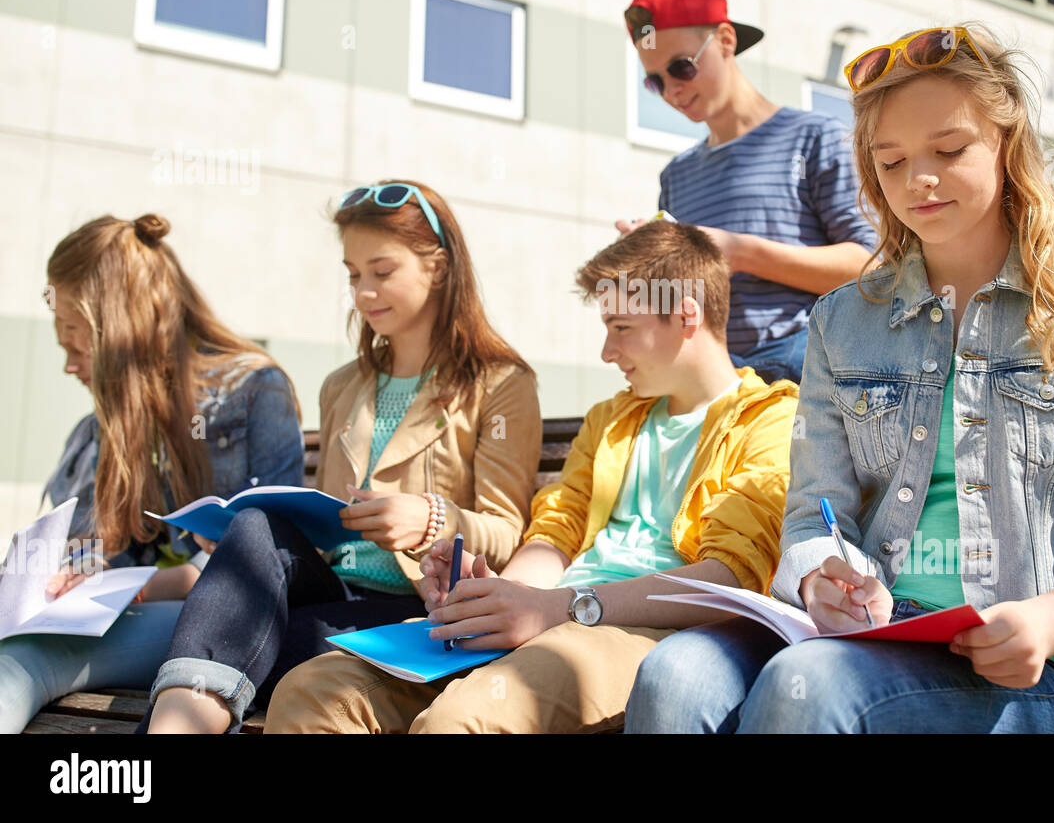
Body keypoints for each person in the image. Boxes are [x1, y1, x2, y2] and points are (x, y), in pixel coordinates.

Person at [624, 24, 1054, 734]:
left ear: (1009, 147)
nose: (917, 181)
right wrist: (824, 572)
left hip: (1019, 668)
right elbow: (814, 513)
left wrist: (1050, 622)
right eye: (890, 163)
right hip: (865, 637)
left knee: (806, 686)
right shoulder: (840, 322)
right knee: (672, 676)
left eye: (949, 151)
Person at [264, 220, 800, 733]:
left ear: (686, 317)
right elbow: (556, 532)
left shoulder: (771, 418)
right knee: (313, 690)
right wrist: (495, 593)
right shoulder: (612, 419)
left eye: (621, 329)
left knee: (462, 721)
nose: (607, 352)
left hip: (643, 628)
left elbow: (731, 579)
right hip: (558, 612)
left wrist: (560, 607)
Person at [142, 181, 541, 733]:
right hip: (333, 595)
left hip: (414, 614)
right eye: (353, 275)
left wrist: (430, 519)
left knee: (226, 632)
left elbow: (507, 533)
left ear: (440, 268)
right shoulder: (342, 386)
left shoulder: (501, 385)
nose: (363, 293)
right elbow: (325, 520)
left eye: (382, 272)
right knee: (255, 524)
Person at [0, 213, 303, 734]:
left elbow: (269, 562)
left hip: (221, 628)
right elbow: (85, 546)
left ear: (119, 330)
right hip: (127, 615)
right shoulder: (105, 424)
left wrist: (144, 584)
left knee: (23, 657)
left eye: (75, 343)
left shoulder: (254, 392)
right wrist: (74, 570)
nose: (69, 366)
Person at [618, 0, 879, 385]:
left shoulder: (815, 138)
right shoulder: (677, 175)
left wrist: (739, 253)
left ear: (725, 40)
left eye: (681, 67)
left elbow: (873, 268)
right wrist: (649, 258)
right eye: (655, 81)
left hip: (804, 380)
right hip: (713, 383)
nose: (671, 91)